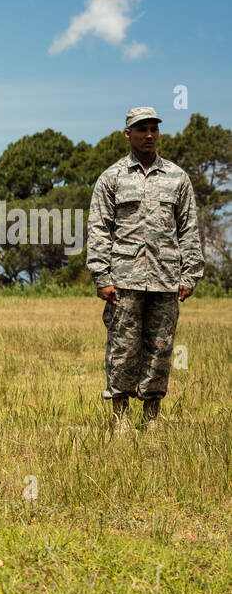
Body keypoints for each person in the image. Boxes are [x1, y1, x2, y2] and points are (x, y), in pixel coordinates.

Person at [86, 106, 202, 429]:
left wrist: (190, 273)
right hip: (124, 280)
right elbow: (98, 229)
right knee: (122, 348)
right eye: (141, 129)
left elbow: (189, 228)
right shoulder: (112, 178)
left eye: (153, 129)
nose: (149, 135)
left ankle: (152, 418)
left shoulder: (178, 178)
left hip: (166, 279)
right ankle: (120, 420)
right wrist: (101, 275)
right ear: (128, 134)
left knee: (161, 349)